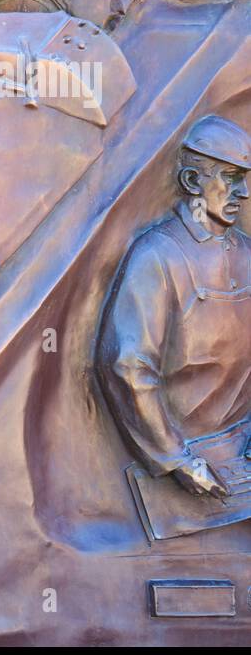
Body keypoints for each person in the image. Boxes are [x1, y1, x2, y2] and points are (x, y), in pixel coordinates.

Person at [97, 116, 251, 499]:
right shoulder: (156, 256)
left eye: (245, 178)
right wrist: (177, 460)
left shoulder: (248, 253)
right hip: (186, 464)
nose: (243, 191)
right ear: (191, 182)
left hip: (241, 454)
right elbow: (128, 364)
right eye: (230, 177)